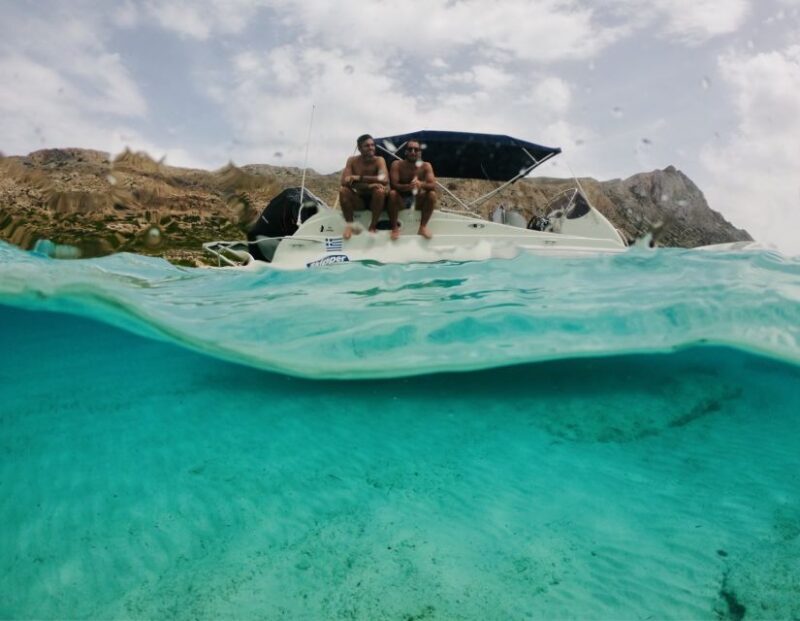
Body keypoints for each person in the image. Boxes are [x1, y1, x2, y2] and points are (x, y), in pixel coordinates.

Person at [339, 134, 389, 240]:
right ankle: (350, 226)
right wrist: (369, 185)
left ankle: (373, 226)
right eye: (367, 146)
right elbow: (344, 181)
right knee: (343, 191)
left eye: (372, 145)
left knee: (379, 191)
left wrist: (359, 177)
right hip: (359, 200)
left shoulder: (379, 160)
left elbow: (384, 179)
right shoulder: (352, 161)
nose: (371, 148)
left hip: (375, 202)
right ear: (359, 148)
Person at [388, 139, 437, 239]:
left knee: (432, 194)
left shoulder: (426, 166)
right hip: (400, 200)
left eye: (416, 149)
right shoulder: (397, 164)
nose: (413, 152)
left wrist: (420, 184)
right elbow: (393, 185)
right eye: (410, 149)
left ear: (420, 152)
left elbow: (432, 185)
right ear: (406, 152)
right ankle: (394, 228)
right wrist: (408, 187)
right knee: (392, 194)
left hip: (417, 201)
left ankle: (422, 227)